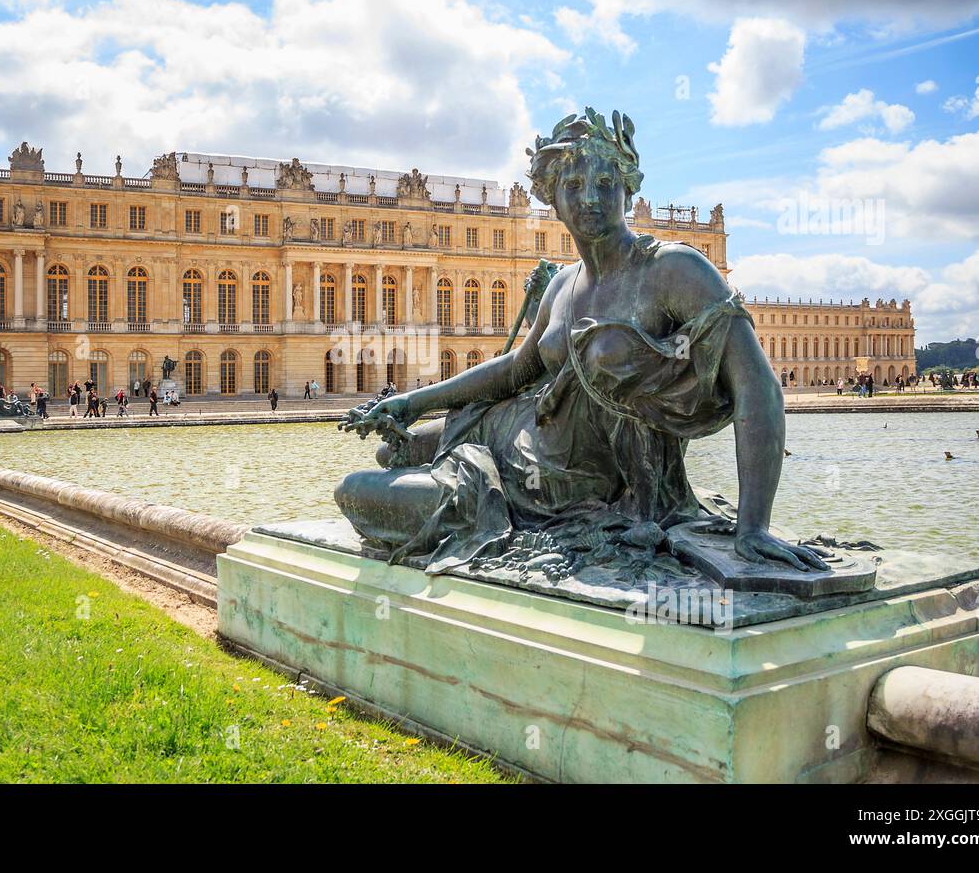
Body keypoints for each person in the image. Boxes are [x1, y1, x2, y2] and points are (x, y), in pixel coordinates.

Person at [336, 107, 827, 574]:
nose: (590, 197)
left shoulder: (673, 270)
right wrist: (409, 402)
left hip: (563, 486)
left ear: (628, 190)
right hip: (514, 434)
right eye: (572, 184)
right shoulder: (562, 284)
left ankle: (478, 507)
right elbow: (514, 370)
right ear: (552, 197)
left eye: (605, 183)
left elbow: (757, 387)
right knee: (394, 453)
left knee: (356, 491)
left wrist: (753, 525)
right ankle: (450, 474)